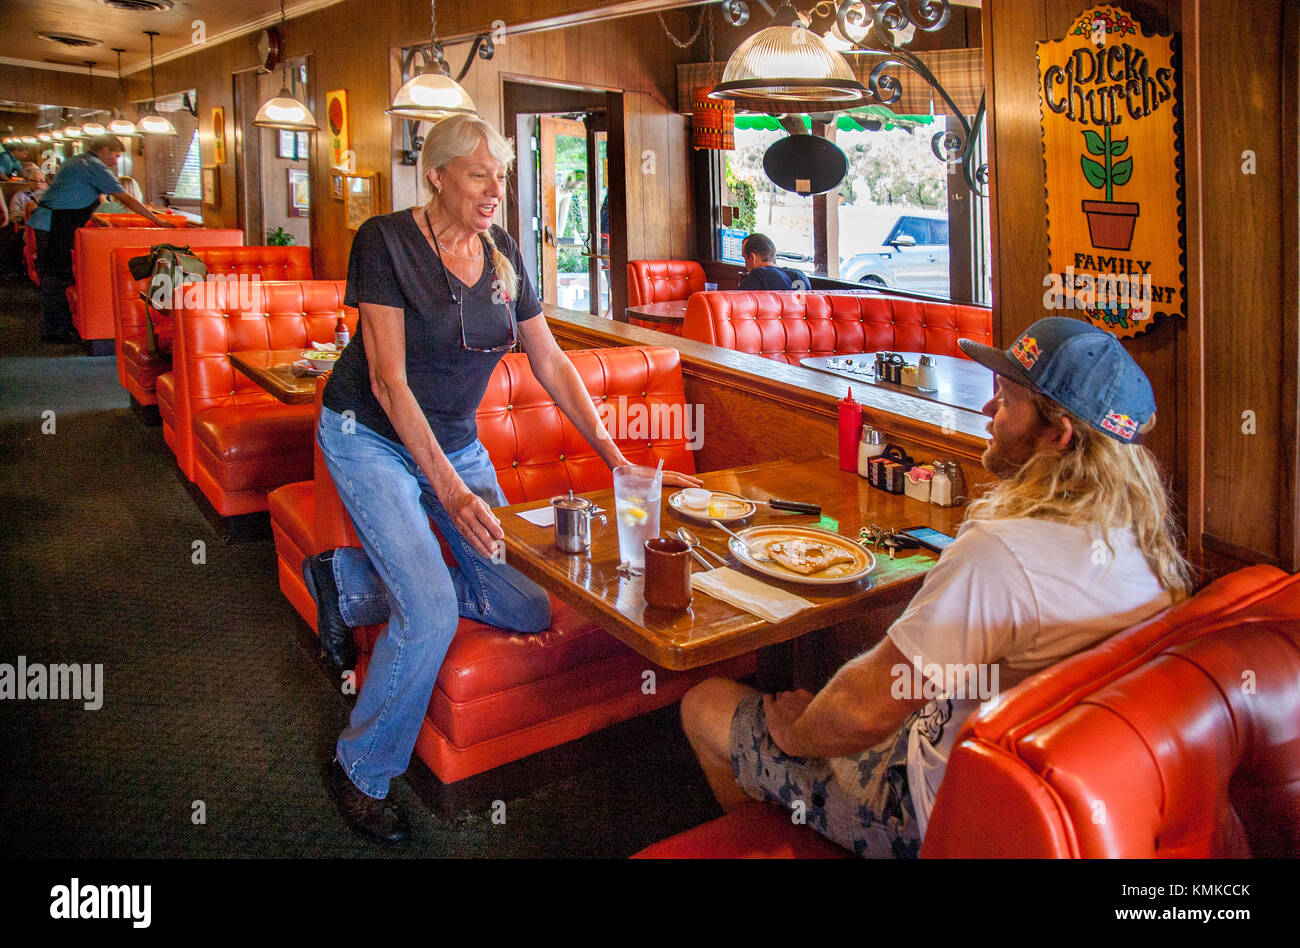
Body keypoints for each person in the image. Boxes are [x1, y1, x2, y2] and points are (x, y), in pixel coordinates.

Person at [303, 114, 700, 844]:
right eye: (479, 174)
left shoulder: (504, 253)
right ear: (438, 175)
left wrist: (615, 456)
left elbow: (550, 363)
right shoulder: (385, 242)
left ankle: (348, 581)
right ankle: (359, 767)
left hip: (454, 440)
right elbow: (389, 382)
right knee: (429, 612)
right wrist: (451, 492)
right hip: (370, 436)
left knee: (525, 604)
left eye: (502, 175)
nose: (495, 190)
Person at [680, 316, 1193, 857]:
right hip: (1047, 807)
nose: (988, 412)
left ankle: (790, 832)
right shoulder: (1149, 550)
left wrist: (796, 736)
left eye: (1008, 401)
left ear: (1058, 434)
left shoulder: (1000, 553)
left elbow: (862, 711)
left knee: (706, 703)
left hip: (932, 813)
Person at [29, 135, 167, 343]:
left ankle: (59, 326)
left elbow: (68, 196)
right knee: (55, 277)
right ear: (104, 150)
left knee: (56, 276)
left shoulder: (76, 162)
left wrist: (95, 218)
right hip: (53, 225)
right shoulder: (94, 166)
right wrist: (157, 221)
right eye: (116, 155)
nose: (116, 160)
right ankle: (55, 330)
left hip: (52, 222)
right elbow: (126, 197)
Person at [736, 232, 811, 291]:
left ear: (752, 258)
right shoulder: (800, 276)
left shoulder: (759, 275)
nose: (745, 265)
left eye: (745, 258)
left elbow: (738, 304)